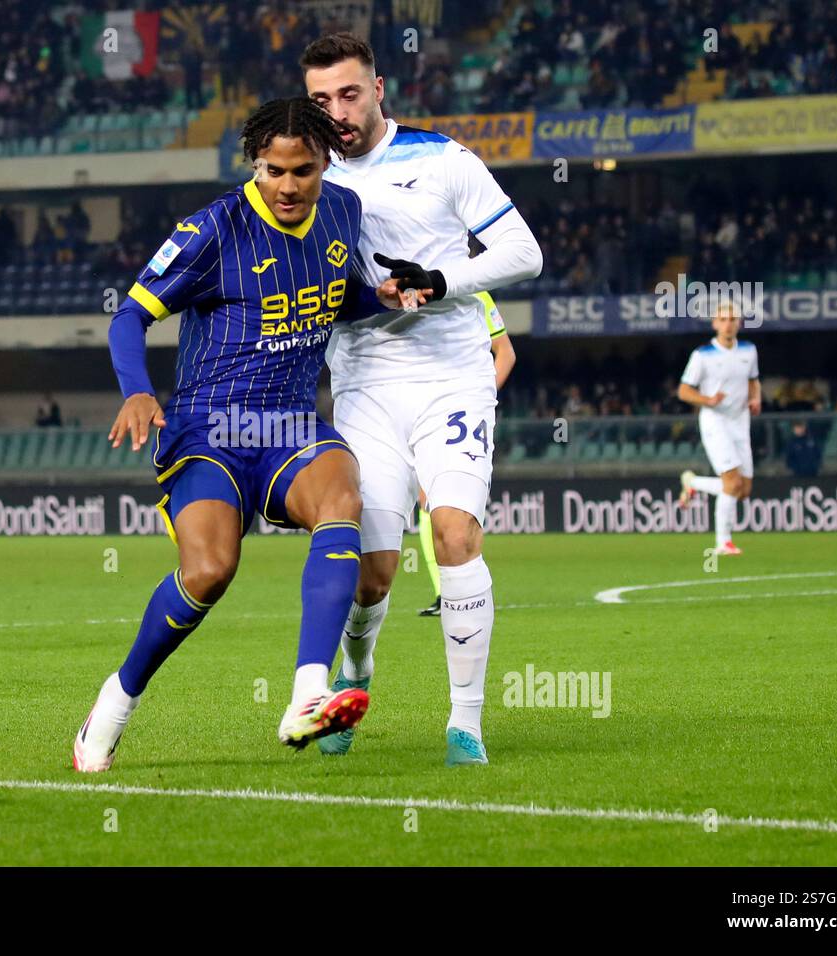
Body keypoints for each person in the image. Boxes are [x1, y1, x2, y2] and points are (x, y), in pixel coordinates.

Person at [73, 97, 380, 772]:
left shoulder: (344, 213)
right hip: (209, 429)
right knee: (209, 571)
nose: (290, 185)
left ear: (326, 163)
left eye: (304, 170)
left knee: (342, 499)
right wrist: (137, 392)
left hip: (290, 423)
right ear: (255, 164)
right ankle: (118, 699)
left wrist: (387, 296)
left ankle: (308, 691)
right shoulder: (213, 229)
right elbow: (129, 317)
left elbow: (339, 294)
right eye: (275, 170)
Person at [302, 33, 542, 766]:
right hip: (365, 384)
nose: (337, 111)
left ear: (380, 87)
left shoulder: (442, 158)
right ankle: (356, 674)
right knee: (371, 569)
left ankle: (464, 722)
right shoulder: (307, 179)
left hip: (451, 376)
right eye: (320, 100)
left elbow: (523, 252)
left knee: (454, 534)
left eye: (348, 94)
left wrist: (440, 280)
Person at [419, 293, 515, 616]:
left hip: (458, 414)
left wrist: (480, 397)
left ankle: (450, 593)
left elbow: (505, 354)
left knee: (438, 503)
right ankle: (447, 593)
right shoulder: (416, 287)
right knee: (425, 504)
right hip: (418, 408)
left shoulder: (475, 291)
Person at [678, 301, 761, 556]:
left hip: (740, 421)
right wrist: (708, 400)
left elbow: (753, 380)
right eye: (723, 319)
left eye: (733, 319)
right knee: (732, 482)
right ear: (715, 323)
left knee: (743, 490)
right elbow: (683, 391)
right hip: (715, 421)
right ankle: (723, 542)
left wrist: (756, 398)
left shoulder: (749, 350)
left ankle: (693, 483)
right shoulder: (702, 355)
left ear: (739, 323)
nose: (728, 324)